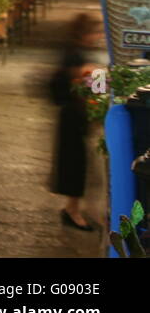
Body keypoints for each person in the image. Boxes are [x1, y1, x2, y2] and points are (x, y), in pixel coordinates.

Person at [50, 13, 106, 231]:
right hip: (74, 117)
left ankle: (73, 208)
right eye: (96, 31)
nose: (99, 35)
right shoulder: (75, 56)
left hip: (75, 116)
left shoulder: (77, 52)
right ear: (85, 34)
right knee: (75, 165)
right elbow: (92, 87)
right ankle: (73, 211)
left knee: (77, 165)